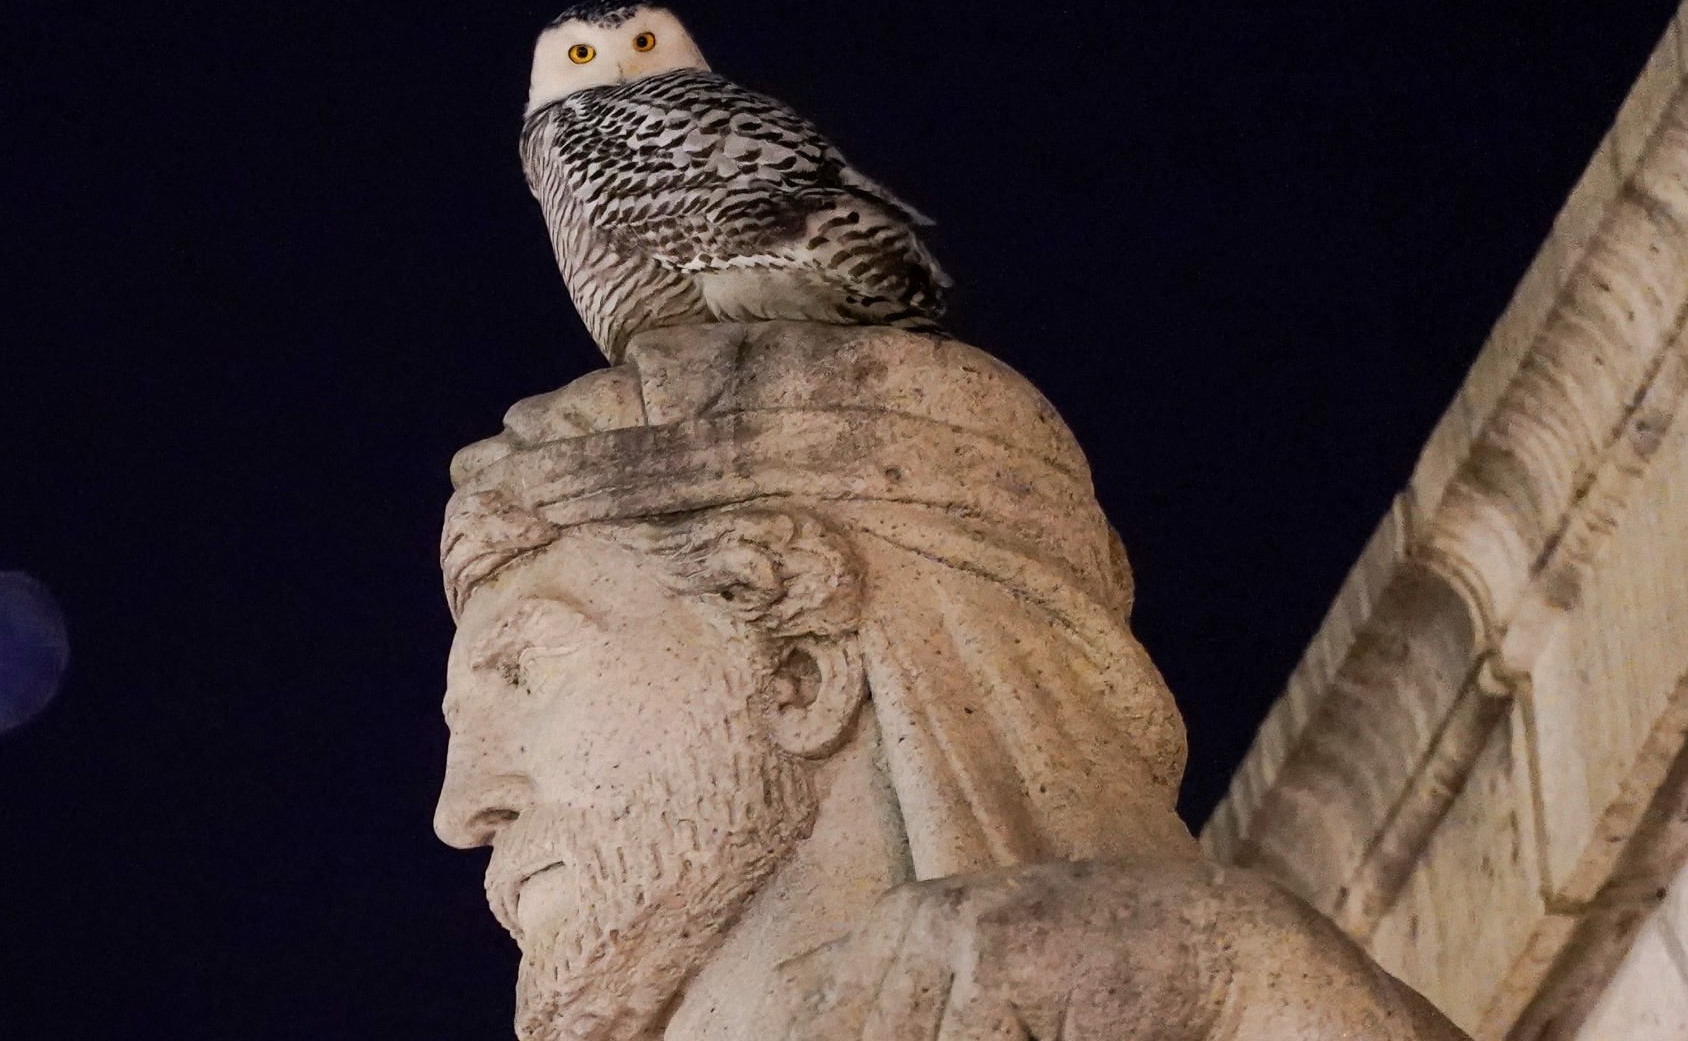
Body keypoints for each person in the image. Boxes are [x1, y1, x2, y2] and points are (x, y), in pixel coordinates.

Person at [434, 321, 1468, 1041]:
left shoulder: (1217, 988)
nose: (462, 809)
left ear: (800, 671)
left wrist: (1247, 987)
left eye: (525, 672)